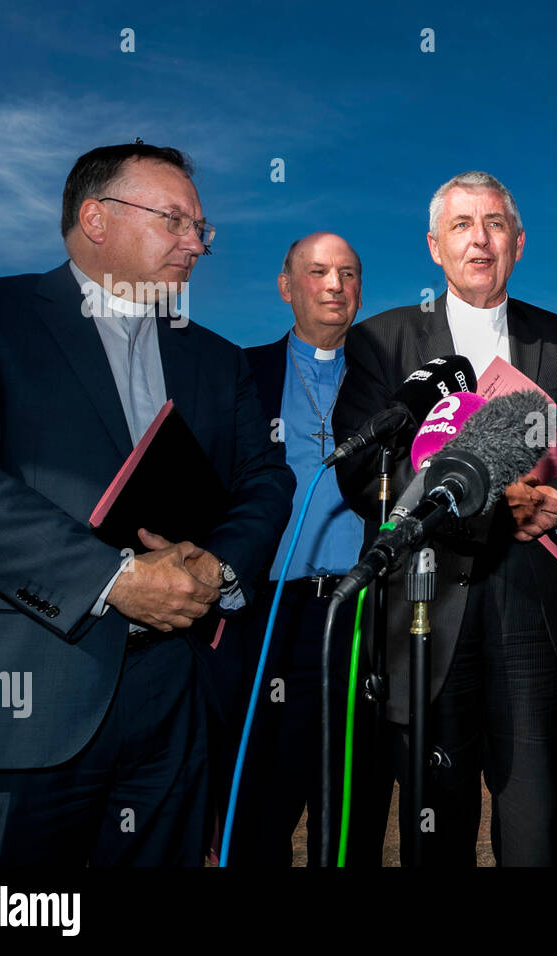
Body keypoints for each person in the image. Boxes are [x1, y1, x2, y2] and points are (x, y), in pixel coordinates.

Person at [0, 142, 293, 866]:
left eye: (202, 229)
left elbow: (266, 479)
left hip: (175, 694)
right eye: (174, 221)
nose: (196, 243)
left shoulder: (218, 359)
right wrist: (115, 579)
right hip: (15, 690)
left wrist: (216, 570)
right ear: (95, 218)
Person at [332, 171, 557, 866]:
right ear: (434, 246)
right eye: (461, 225)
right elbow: (365, 474)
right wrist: (478, 501)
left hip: (536, 614)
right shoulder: (382, 342)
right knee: (434, 830)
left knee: (537, 825)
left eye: (496, 224)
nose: (480, 239)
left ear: (519, 242)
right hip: (426, 611)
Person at [216, 232, 373, 865]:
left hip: (360, 612)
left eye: (349, 273)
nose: (336, 285)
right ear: (287, 288)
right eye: (318, 272)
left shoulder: (385, 379)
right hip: (267, 616)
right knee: (259, 802)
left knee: (350, 806)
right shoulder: (240, 374)